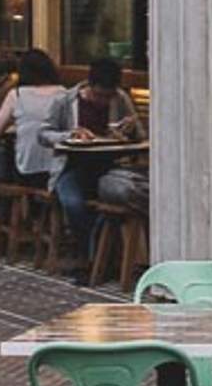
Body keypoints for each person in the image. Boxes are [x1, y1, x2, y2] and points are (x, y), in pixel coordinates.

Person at [48, 57, 147, 259]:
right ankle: (89, 253)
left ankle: (105, 255)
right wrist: (70, 135)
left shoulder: (120, 98)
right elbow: (44, 133)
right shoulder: (66, 101)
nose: (103, 101)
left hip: (109, 168)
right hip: (71, 166)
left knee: (125, 203)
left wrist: (129, 130)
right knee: (73, 204)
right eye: (99, 95)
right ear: (89, 85)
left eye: (108, 97)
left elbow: (139, 136)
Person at [0, 48, 69, 185]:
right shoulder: (65, 94)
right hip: (60, 168)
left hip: (28, 169)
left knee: (3, 161)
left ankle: (3, 204)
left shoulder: (17, 95)